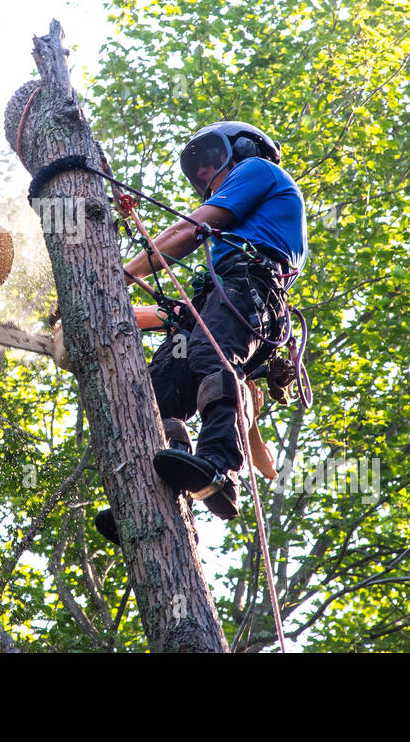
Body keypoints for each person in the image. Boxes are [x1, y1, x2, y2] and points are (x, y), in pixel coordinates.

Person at [95, 121, 308, 546]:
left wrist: (119, 275)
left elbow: (185, 231)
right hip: (219, 296)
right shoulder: (221, 258)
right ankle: (148, 489)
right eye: (197, 171)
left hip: (249, 289)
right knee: (158, 387)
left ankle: (219, 469)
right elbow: (166, 314)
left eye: (211, 161)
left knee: (213, 359)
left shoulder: (260, 172)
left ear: (244, 150)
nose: (205, 174)